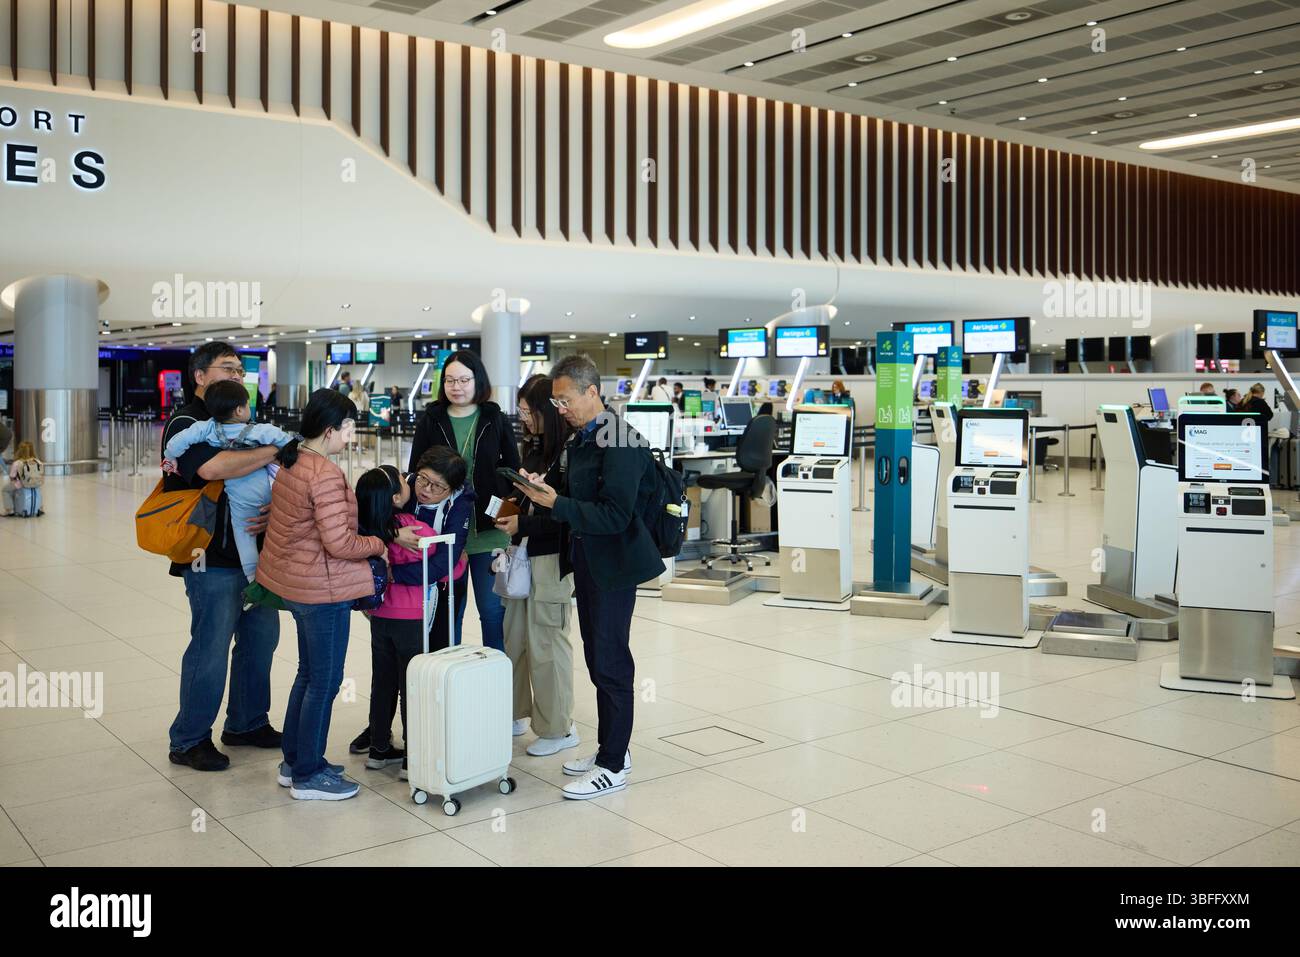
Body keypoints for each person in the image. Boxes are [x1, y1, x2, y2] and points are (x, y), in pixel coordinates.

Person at [256, 388, 419, 800]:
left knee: (308, 674)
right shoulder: (324, 474)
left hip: (296, 583)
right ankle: (309, 775)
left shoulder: (292, 461)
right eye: (347, 428)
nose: (351, 435)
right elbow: (341, 544)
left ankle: (295, 762)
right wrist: (381, 545)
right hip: (321, 592)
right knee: (324, 682)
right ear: (330, 429)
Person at [513, 354, 663, 799]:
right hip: (590, 562)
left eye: (565, 400)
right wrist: (541, 492)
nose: (560, 409)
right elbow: (577, 497)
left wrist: (554, 503)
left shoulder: (621, 441)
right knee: (598, 660)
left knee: (611, 663)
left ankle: (614, 765)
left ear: (592, 392)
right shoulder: (586, 437)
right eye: (556, 402)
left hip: (615, 565)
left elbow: (615, 514)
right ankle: (609, 750)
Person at [162, 342, 283, 772]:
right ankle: (189, 739)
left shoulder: (242, 418)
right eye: (227, 368)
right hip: (208, 554)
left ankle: (247, 721)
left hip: (256, 554)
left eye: (239, 370)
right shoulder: (187, 421)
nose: (236, 375)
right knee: (210, 645)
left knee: (260, 638)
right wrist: (273, 450)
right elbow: (213, 469)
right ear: (199, 375)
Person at [349, 452, 474, 761]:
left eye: (437, 487)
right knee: (413, 681)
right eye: (422, 480)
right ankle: (415, 754)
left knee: (385, 677)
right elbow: (448, 560)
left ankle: (379, 747)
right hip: (412, 614)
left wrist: (387, 574)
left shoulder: (376, 524)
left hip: (381, 610)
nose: (425, 490)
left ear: (453, 489)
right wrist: (457, 562)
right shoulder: (414, 524)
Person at [406, 350, 519, 653]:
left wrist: (509, 514)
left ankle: (495, 683)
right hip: (442, 532)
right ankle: (450, 682)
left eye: (464, 380)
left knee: (493, 613)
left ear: (477, 380)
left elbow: (512, 468)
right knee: (448, 614)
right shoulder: (432, 418)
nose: (457, 386)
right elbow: (414, 470)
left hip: (488, 531)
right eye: (450, 380)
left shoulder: (493, 416)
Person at [495, 376, 578, 756]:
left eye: (530, 411)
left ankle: (558, 728)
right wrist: (506, 509)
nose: (524, 418)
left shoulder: (570, 454)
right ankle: (516, 711)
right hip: (521, 555)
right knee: (516, 640)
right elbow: (520, 497)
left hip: (550, 556)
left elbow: (566, 515)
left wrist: (523, 521)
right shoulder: (534, 448)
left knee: (546, 643)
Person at [162, 380, 295, 581]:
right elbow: (288, 443)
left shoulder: (207, 427)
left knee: (244, 535)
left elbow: (179, 441)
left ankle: (253, 578)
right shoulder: (258, 430)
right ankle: (278, 572)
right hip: (264, 489)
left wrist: (170, 457)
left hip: (238, 491)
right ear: (240, 410)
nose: (236, 375)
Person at [6, 440, 43, 518]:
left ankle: (10, 510)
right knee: (37, 491)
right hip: (36, 484)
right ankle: (40, 507)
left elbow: (12, 476)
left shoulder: (17, 463)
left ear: (20, 450)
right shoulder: (38, 461)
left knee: (5, 490)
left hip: (21, 484)